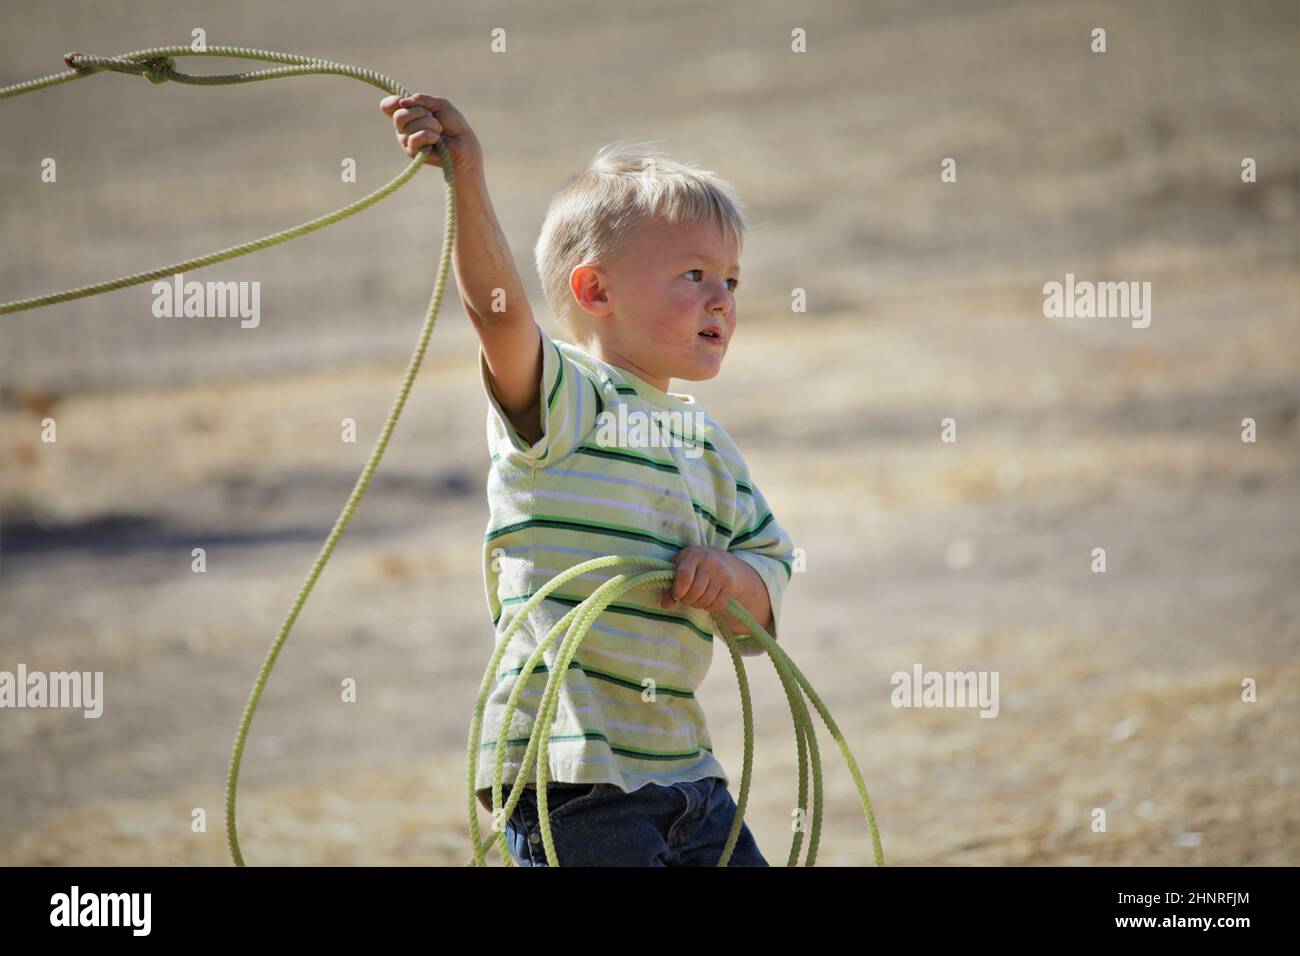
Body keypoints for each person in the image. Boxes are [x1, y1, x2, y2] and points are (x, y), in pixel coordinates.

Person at [380, 93, 796, 866]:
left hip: (689, 778)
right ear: (595, 292)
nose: (721, 300)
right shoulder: (568, 401)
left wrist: (729, 577)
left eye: (732, 281)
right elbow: (499, 315)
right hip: (571, 781)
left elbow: (768, 595)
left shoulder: (709, 447)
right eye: (695, 274)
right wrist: (465, 176)